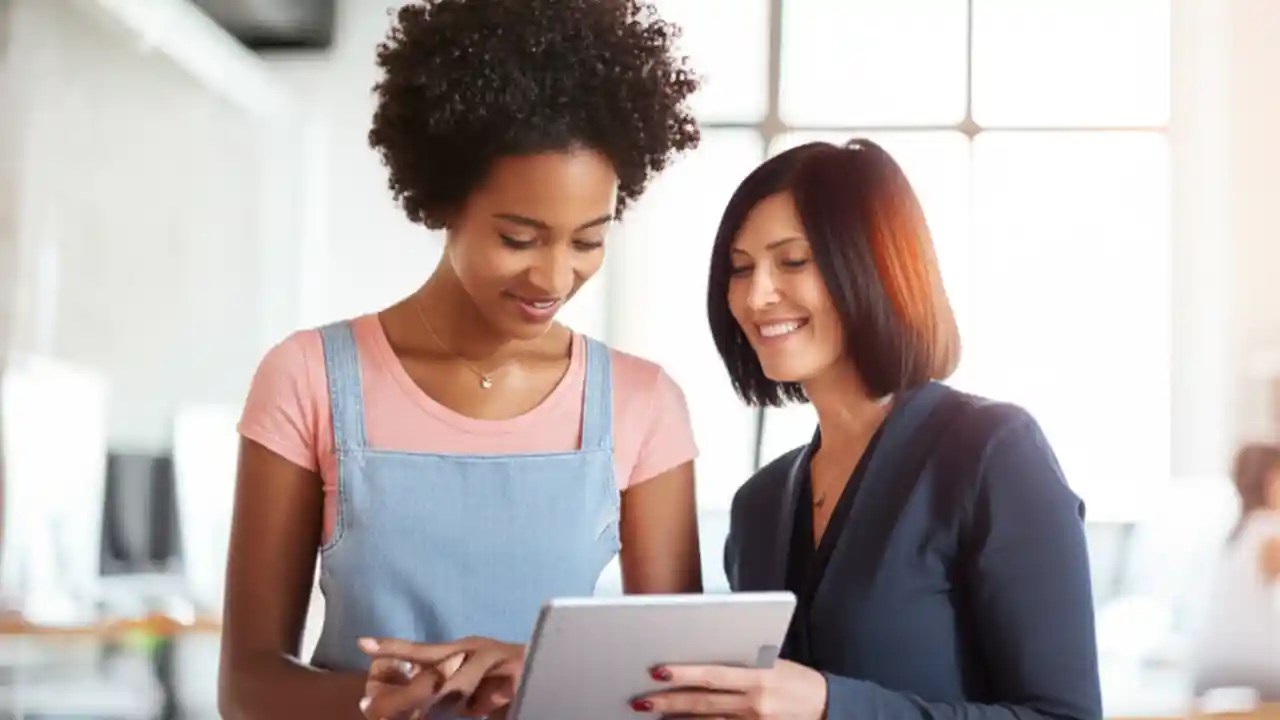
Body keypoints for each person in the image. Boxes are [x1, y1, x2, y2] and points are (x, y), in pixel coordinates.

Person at [217, 0, 704, 717]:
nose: (554, 278)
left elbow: (678, 685)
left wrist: (535, 673)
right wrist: (376, 701)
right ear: (443, 201)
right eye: (519, 238)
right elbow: (247, 687)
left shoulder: (643, 404)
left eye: (588, 241)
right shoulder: (308, 378)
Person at [635, 139, 1103, 719]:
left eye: (793, 261)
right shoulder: (758, 506)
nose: (756, 295)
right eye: (739, 268)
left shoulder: (991, 452)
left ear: (871, 263)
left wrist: (832, 705)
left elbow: (1066, 716)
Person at [1192, 442, 1280, 701]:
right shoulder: (1270, 529)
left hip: (1207, 668)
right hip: (1261, 666)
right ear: (1271, 480)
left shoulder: (1235, 533)